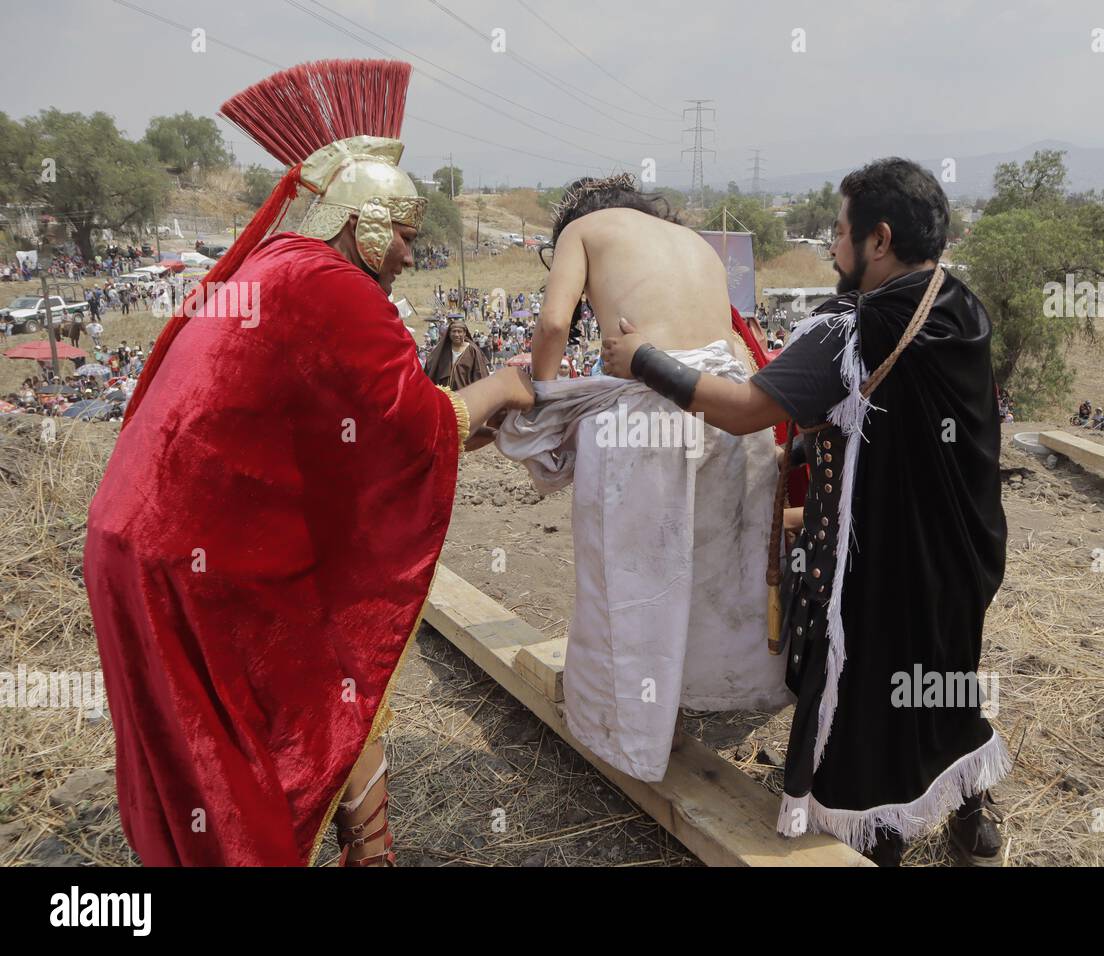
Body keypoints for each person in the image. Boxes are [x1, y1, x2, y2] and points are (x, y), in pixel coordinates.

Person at [83, 59, 534, 868]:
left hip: (137, 543)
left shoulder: (276, 270)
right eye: (401, 232)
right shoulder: (330, 286)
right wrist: (504, 388)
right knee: (230, 766)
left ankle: (369, 844)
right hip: (192, 566)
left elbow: (365, 441)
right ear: (357, 218)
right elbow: (410, 422)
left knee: (280, 705)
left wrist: (479, 426)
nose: (407, 255)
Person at [602, 158, 1010, 864]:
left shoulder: (849, 334)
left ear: (878, 240)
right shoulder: (958, 305)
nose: (832, 245)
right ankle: (969, 807)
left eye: (840, 231)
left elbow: (743, 411)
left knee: (866, 705)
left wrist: (640, 358)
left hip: (878, 573)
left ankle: (874, 836)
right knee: (943, 677)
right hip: (961, 555)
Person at [495, 173, 789, 783]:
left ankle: (630, 737)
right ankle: (695, 697)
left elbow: (552, 326)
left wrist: (547, 400)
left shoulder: (585, 229)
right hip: (724, 405)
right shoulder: (697, 244)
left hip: (647, 407)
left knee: (630, 575)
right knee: (709, 567)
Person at [423, 319, 490, 389]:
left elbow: (480, 374)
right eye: (454, 331)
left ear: (465, 333)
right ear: (449, 333)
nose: (456, 334)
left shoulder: (473, 350)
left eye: (459, 332)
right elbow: (431, 365)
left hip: (464, 394)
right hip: (444, 394)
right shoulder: (443, 349)